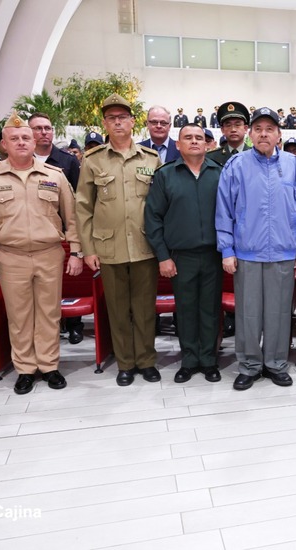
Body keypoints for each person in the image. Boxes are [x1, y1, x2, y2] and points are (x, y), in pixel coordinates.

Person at [0, 111, 83, 395]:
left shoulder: (54, 175)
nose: (21, 142)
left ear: (34, 142)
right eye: (14, 138)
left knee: (50, 314)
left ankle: (49, 365)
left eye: (25, 138)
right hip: (10, 256)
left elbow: (72, 217)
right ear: (3, 144)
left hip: (49, 253)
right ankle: (26, 369)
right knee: (18, 316)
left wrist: (76, 251)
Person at [215, 107, 296, 391]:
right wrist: (227, 250)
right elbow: (224, 210)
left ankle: (276, 364)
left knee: (280, 313)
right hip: (246, 253)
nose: (263, 134)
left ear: (278, 134)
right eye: (258, 129)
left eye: (269, 129)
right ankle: (249, 365)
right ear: (250, 133)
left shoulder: (293, 166)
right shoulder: (236, 165)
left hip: (284, 253)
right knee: (248, 314)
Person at [76, 93, 163, 386]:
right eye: (111, 118)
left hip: (144, 245)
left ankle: (146, 361)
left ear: (132, 121)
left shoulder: (151, 158)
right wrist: (88, 249)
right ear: (104, 123)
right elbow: (83, 206)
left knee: (145, 309)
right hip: (108, 246)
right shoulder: (93, 159)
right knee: (117, 309)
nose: (117, 122)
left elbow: (160, 205)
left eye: (123, 117)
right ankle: (125, 363)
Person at [145, 124, 223, 384]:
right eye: (187, 138)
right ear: (178, 145)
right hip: (181, 256)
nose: (194, 141)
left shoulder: (219, 173)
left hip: (213, 255)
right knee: (186, 310)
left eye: (199, 138)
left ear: (207, 144)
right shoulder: (166, 174)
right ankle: (189, 360)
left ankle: (209, 360)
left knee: (210, 309)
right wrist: (163, 256)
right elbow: (153, 218)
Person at [28, 112, 85, 344]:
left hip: (62, 234)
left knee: (70, 281)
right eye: (38, 128)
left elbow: (77, 200)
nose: (44, 132)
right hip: (32, 234)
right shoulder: (21, 160)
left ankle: (74, 325)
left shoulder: (67, 161)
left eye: (48, 128)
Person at [207, 102, 250, 166]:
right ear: (222, 130)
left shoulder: (256, 156)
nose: (233, 129)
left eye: (237, 125)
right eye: (228, 125)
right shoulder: (211, 157)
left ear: (245, 128)